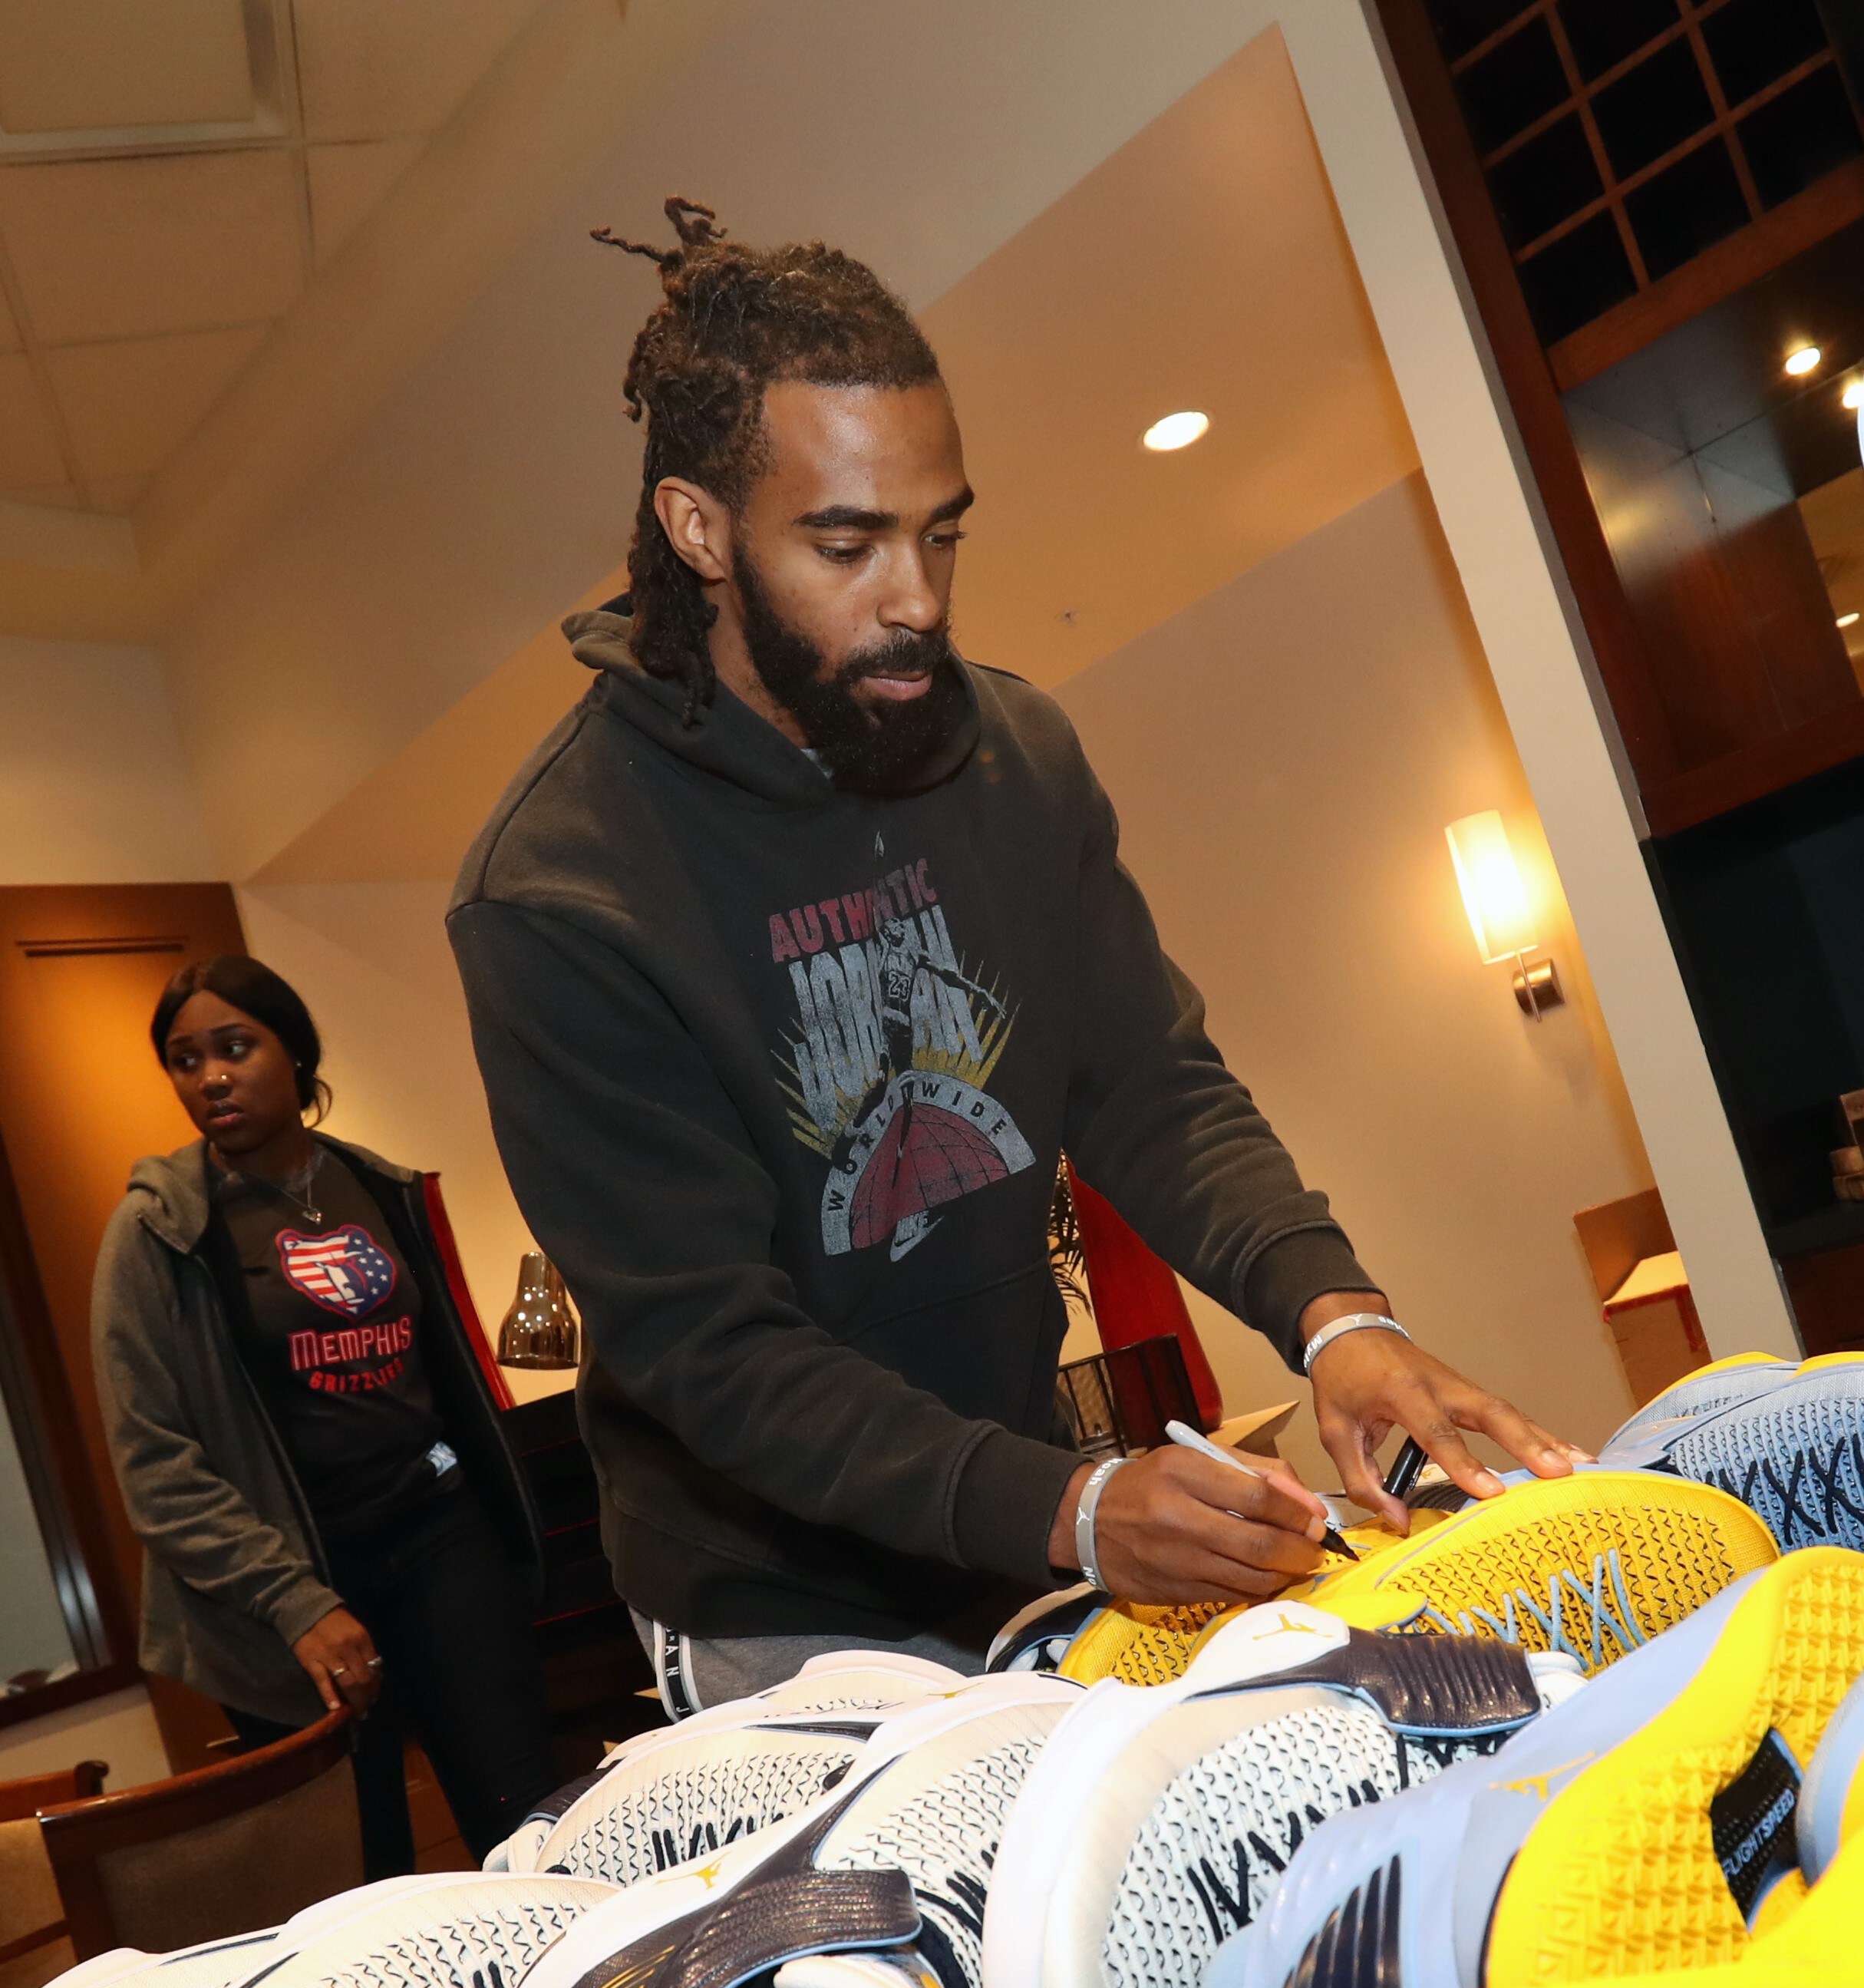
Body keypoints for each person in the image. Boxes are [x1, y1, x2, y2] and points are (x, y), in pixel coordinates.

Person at [450, 198, 1585, 1716]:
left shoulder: (1011, 750)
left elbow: (1143, 1082)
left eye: (938, 531)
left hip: (1009, 1525)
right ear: (697, 526)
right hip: (781, 1608)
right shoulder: (553, 889)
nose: (913, 596)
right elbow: (712, 1352)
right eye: (844, 542)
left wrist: (1335, 1313)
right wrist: (1068, 1504)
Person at [92, 955, 556, 1874]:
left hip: (437, 1533)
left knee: (528, 1823)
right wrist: (297, 1603)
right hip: (288, 1586)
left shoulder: (380, 1188)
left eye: (236, 1046)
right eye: (185, 1060)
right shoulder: (158, 1234)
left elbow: (450, 1374)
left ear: (296, 1054)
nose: (212, 1075)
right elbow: (154, 1462)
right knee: (362, 1868)